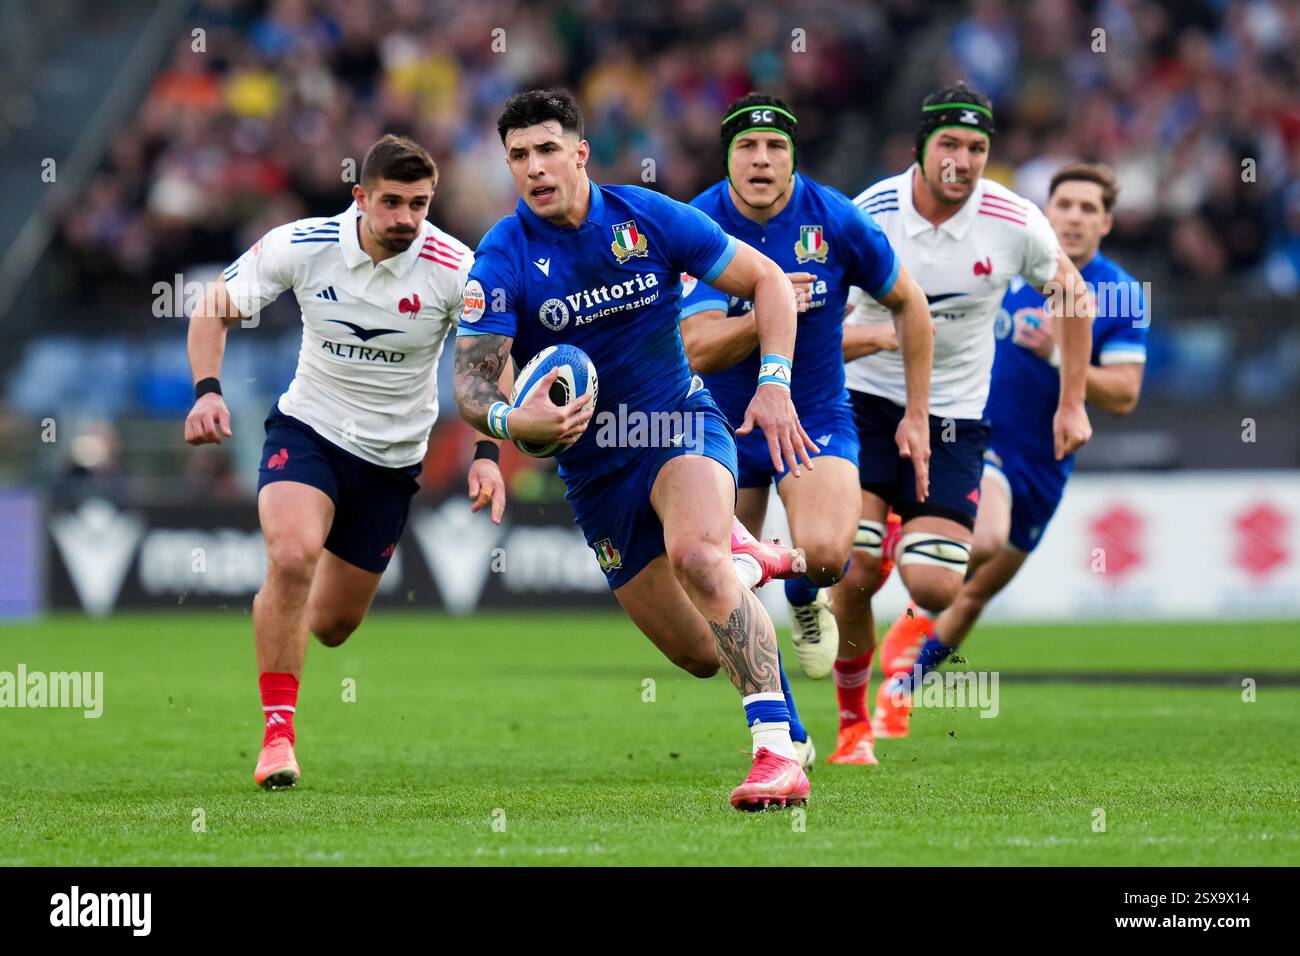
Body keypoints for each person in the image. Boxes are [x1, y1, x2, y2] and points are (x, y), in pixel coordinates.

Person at [454, 89, 816, 810]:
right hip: (594, 473)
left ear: (580, 153)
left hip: (676, 424)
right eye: (519, 156)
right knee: (700, 653)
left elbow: (768, 280)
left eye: (548, 149)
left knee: (699, 561)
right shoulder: (502, 255)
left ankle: (777, 755)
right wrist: (508, 423)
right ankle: (751, 559)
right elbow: (470, 378)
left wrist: (774, 382)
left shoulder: (646, 217)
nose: (535, 167)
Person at [184, 135, 504, 789]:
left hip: (392, 460)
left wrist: (488, 451)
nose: (406, 218)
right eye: (391, 202)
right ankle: (278, 736)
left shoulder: (456, 267)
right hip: (309, 430)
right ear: (360, 197)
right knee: (292, 556)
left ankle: (279, 611)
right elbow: (213, 307)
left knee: (331, 625)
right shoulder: (301, 245)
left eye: (419, 204)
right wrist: (208, 392)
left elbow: (486, 364)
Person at [831, 83, 1094, 764]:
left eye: (977, 146)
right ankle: (854, 726)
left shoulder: (1013, 220)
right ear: (920, 148)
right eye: (949, 142)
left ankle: (898, 538)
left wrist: (1072, 402)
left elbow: (1074, 296)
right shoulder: (870, 214)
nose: (963, 159)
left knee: (935, 584)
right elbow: (819, 321)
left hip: (955, 414)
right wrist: (874, 341)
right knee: (855, 571)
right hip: (865, 400)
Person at [678, 92, 933, 768]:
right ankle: (788, 727)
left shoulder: (835, 219)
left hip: (813, 416)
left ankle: (799, 588)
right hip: (720, 426)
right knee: (721, 594)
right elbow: (697, 347)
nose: (761, 160)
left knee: (826, 557)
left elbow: (909, 303)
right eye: (747, 147)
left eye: (776, 148)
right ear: (727, 157)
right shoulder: (699, 223)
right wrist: (771, 307)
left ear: (794, 158)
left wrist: (916, 413)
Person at [874, 162, 1149, 737]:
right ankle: (904, 559)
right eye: (1064, 205)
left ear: (1107, 223)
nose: (1073, 217)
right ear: (1047, 211)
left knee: (975, 593)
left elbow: (1125, 394)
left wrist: (1057, 354)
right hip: (979, 436)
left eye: (1088, 209)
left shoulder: (1120, 293)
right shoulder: (1010, 260)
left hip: (1044, 464)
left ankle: (901, 689)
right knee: (985, 538)